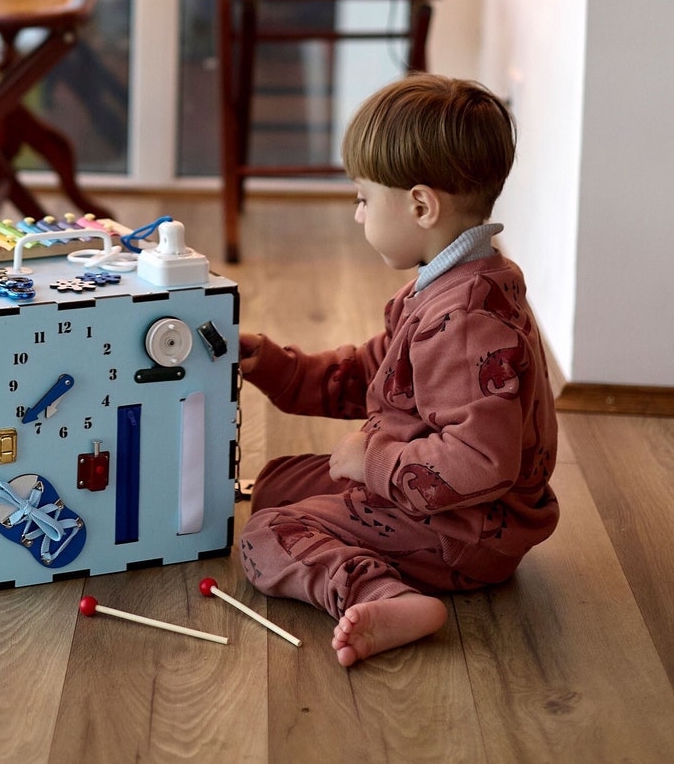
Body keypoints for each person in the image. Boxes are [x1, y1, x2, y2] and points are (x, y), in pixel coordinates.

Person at [238, 74, 558, 668]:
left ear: (419, 205)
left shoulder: (463, 317)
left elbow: (484, 462)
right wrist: (274, 365)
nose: (357, 215)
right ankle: (374, 556)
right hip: (444, 500)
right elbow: (373, 372)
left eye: (363, 197)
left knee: (267, 535)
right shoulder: (450, 284)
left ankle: (382, 595)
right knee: (278, 481)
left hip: (464, 530)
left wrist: (375, 463)